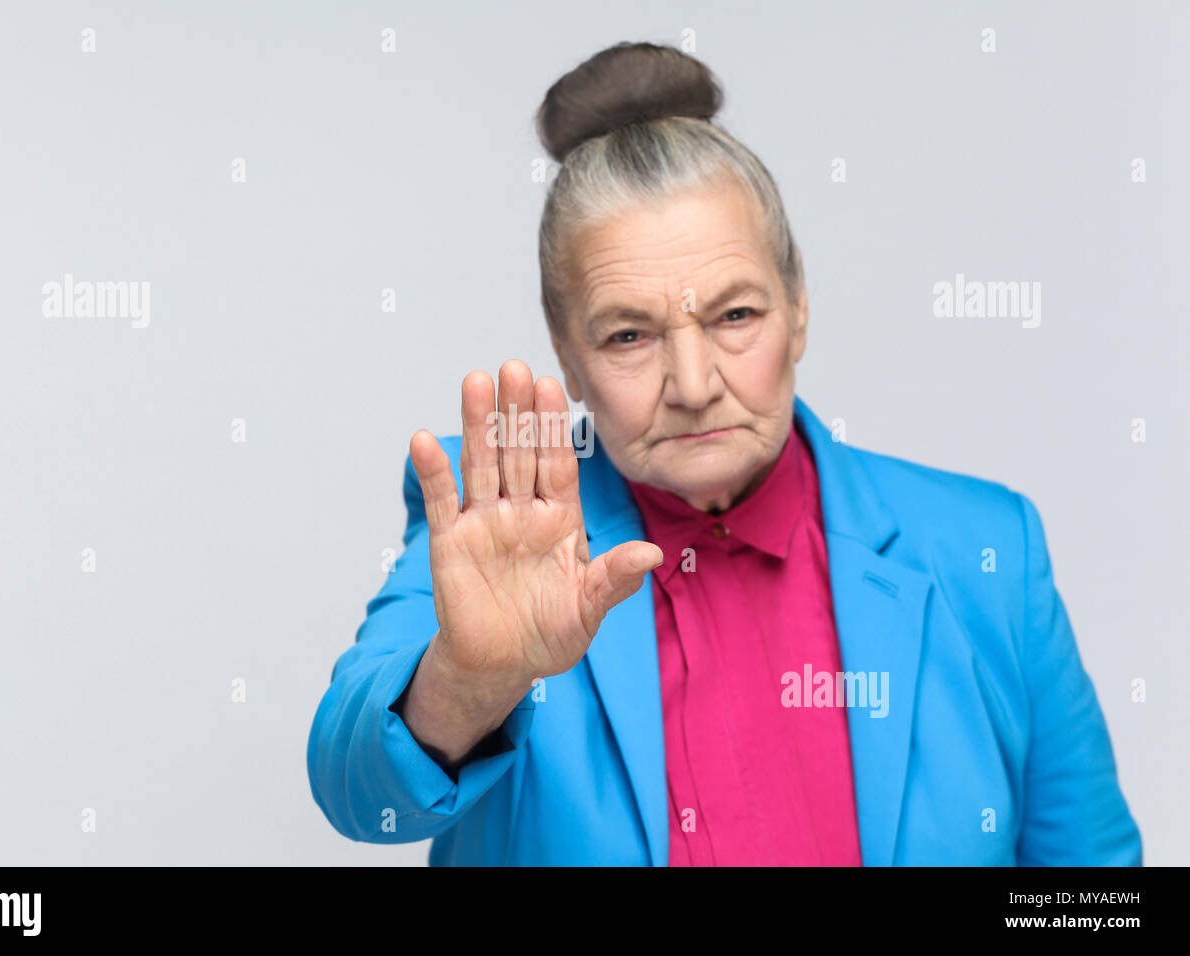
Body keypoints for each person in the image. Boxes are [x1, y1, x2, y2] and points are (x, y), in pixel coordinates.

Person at [306, 41, 1141, 866]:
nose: (695, 383)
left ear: (798, 304)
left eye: (735, 316)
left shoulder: (986, 549)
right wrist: (468, 681)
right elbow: (357, 796)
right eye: (628, 334)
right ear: (568, 354)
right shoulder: (503, 521)